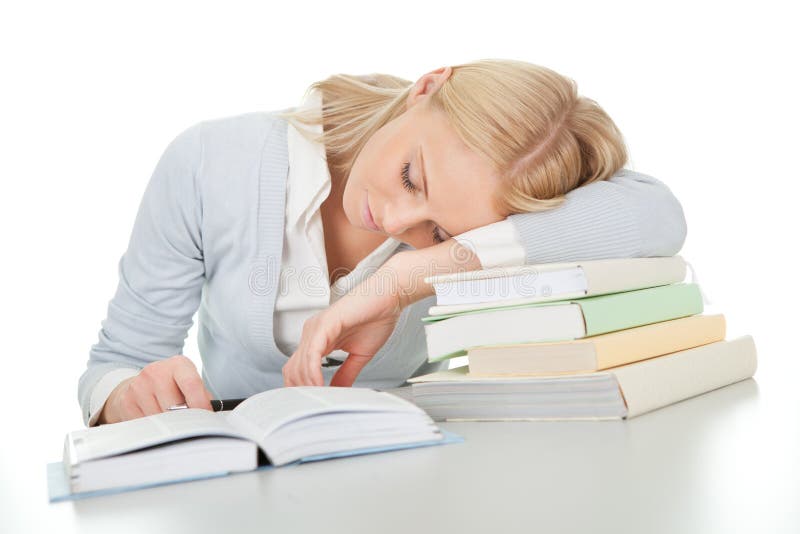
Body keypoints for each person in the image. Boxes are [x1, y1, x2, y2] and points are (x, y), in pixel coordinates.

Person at [79, 58, 687, 426]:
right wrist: (124, 397)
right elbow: (116, 364)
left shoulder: (440, 244)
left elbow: (657, 216)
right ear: (426, 86)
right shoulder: (212, 161)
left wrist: (406, 279)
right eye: (409, 176)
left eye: (439, 231)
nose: (395, 222)